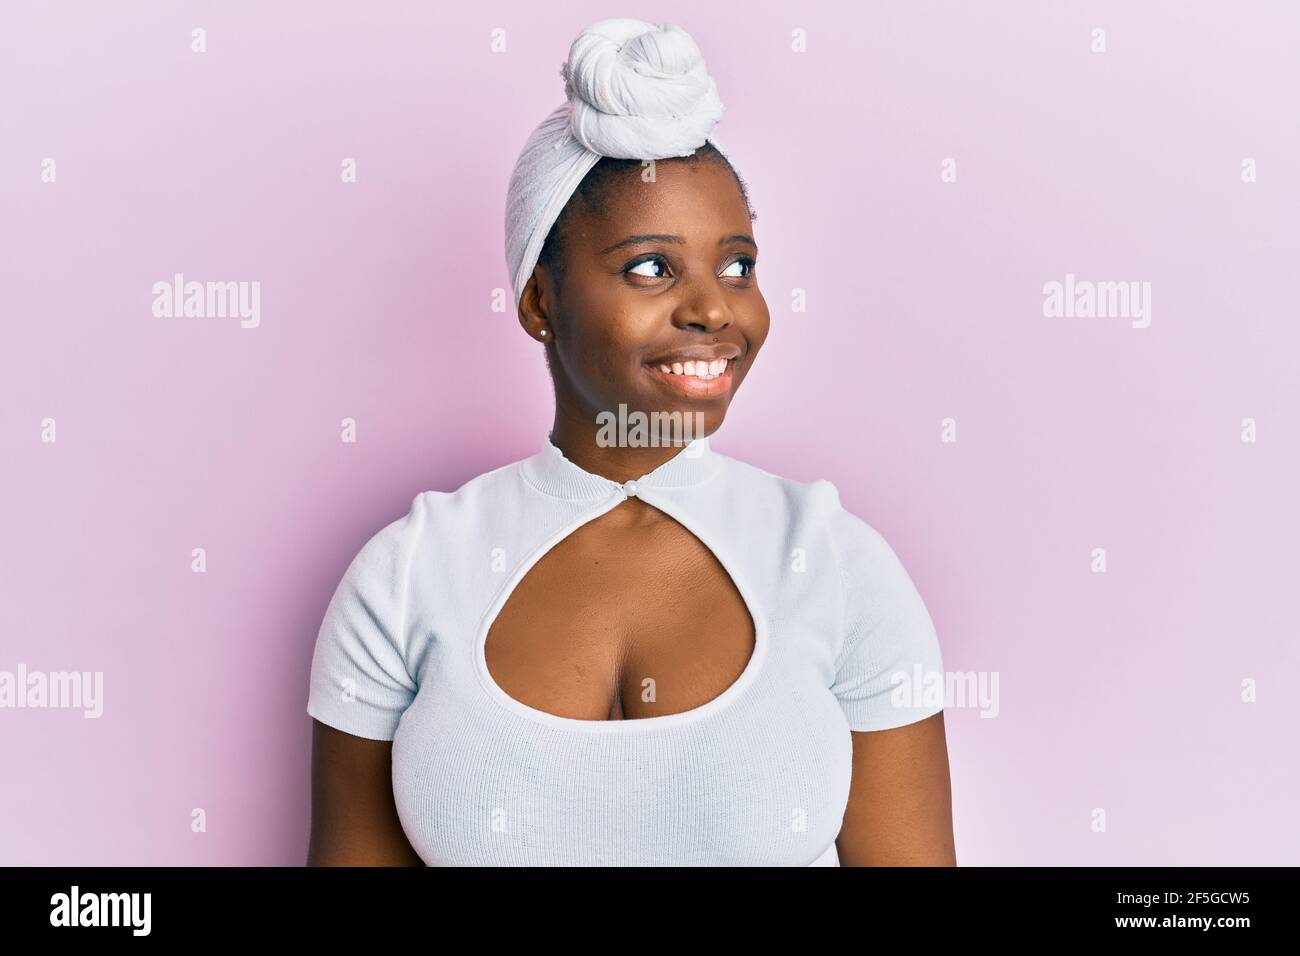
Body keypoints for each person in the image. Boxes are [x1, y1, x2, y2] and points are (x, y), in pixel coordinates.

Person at [306, 17, 954, 867]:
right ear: (541, 301)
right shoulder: (404, 579)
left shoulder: (837, 567)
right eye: (651, 267)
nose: (714, 309)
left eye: (737, 266)